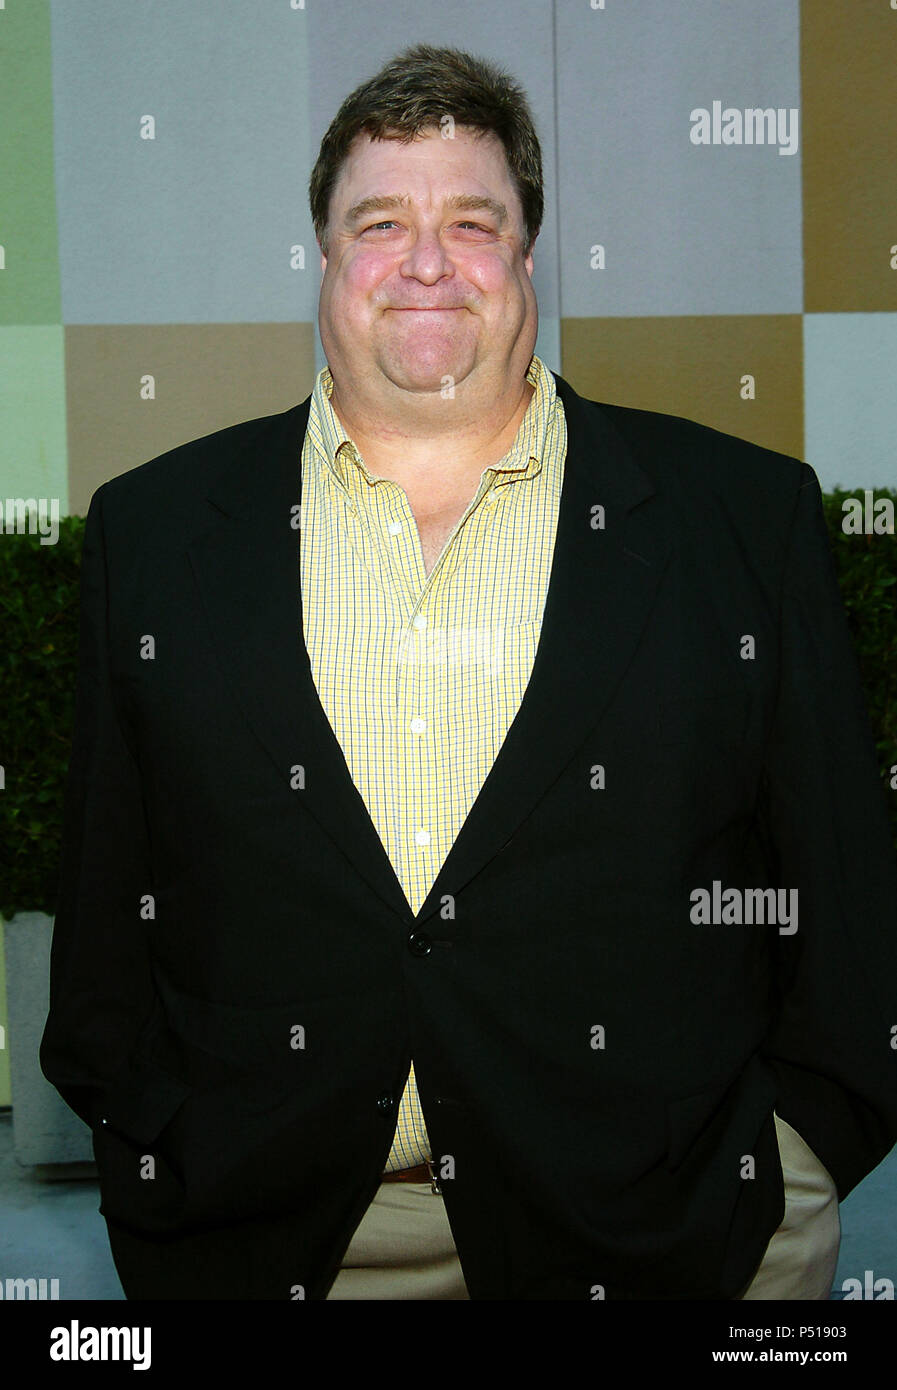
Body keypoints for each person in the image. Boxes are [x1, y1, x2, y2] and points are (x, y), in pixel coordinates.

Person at [41, 44, 897, 1301]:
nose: (427, 261)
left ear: (528, 259)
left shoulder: (740, 521)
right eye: (380, 221)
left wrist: (795, 1158)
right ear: (325, 261)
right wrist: (153, 1140)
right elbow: (110, 900)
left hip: (674, 1235)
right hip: (273, 1239)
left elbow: (847, 890)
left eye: (472, 222)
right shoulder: (158, 533)